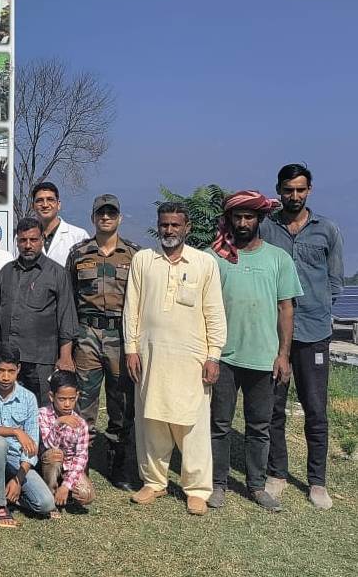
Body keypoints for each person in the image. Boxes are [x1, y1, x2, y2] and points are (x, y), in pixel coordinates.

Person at [124, 202, 227, 516]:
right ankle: (154, 482)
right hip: (150, 355)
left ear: (187, 228)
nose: (169, 230)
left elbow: (214, 312)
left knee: (191, 425)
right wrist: (131, 348)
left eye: (175, 225)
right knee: (151, 419)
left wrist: (214, 356)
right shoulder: (144, 260)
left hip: (191, 358)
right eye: (164, 225)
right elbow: (133, 307)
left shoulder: (204, 263)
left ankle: (196, 489)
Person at [207, 190, 303, 511]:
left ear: (259, 219)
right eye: (238, 216)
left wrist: (283, 355)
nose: (244, 222)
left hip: (264, 358)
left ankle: (257, 486)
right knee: (219, 424)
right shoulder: (217, 258)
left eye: (250, 217)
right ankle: (218, 483)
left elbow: (285, 308)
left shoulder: (278, 259)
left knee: (259, 427)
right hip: (224, 356)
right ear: (230, 219)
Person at [259, 164, 343, 511]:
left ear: (309, 190)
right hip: (275, 335)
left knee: (315, 410)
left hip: (313, 334)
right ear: (278, 190)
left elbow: (336, 281)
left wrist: (319, 307)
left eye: (300, 190)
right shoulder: (266, 226)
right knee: (274, 407)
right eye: (288, 189)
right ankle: (277, 474)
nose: (294, 196)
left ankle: (317, 482)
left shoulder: (327, 230)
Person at [65, 194, 140, 490]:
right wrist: (68, 344)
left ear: (119, 217)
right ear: (93, 217)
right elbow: (68, 300)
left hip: (121, 338)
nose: (106, 218)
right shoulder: (79, 253)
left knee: (122, 402)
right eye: (101, 213)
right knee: (83, 403)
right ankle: (80, 463)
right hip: (87, 336)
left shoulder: (135, 255)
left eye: (111, 213)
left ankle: (119, 464)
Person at [0, 217, 79, 404]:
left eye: (33, 240)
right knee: (10, 406)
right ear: (17, 241)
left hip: (42, 360)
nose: (28, 245)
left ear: (42, 240)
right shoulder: (6, 272)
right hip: (9, 359)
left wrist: (65, 357)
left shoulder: (57, 273)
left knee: (43, 409)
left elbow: (66, 317)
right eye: (23, 240)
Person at [0, 344, 54, 526]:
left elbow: (31, 444)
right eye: (0, 370)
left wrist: (18, 479)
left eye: (11, 371)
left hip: (17, 460)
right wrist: (16, 432)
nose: (6, 377)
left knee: (46, 504)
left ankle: (8, 492)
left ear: (19, 369)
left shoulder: (28, 398)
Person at [38, 370, 95, 515]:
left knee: (86, 494)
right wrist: (58, 424)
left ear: (77, 396)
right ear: (52, 396)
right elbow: (48, 445)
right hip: (47, 462)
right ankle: (49, 497)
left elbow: (81, 457)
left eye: (71, 399)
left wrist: (66, 485)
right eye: (62, 399)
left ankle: (63, 492)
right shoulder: (42, 414)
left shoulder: (81, 423)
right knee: (55, 454)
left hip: (68, 466)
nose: (67, 404)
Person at [31, 181, 90, 267]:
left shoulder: (79, 236)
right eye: (39, 200)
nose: (45, 205)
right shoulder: (22, 238)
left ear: (58, 205)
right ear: (33, 206)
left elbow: (86, 273)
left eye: (50, 199)